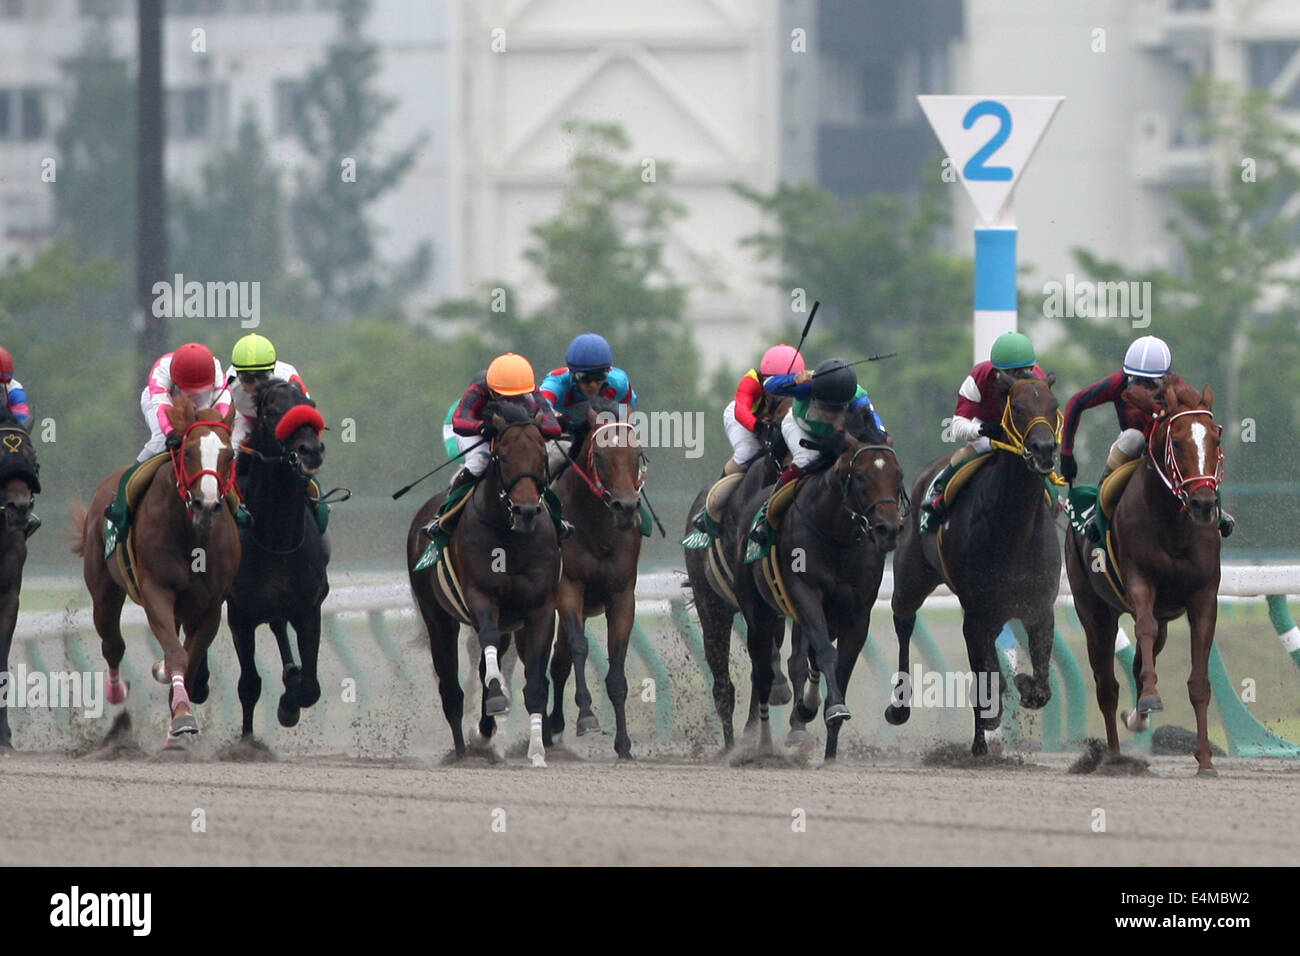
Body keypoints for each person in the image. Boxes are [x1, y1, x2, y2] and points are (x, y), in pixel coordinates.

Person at [1062, 335, 1233, 539]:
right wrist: (1066, 453)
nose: (1143, 388)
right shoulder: (1118, 383)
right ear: (1127, 375)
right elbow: (1076, 402)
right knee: (1133, 438)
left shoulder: (1177, 387)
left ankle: (1215, 507)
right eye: (1136, 380)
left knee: (1195, 445)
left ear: (1165, 377)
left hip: (1164, 450)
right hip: (1133, 447)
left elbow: (1197, 424)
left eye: (1152, 383)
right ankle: (1097, 506)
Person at [420, 353, 564, 540]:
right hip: (477, 432)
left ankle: (556, 517)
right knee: (479, 461)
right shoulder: (478, 390)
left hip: (511, 433)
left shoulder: (533, 392)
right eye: (505, 396)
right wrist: (480, 427)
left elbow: (554, 427)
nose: (511, 401)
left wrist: (535, 426)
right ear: (492, 390)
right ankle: (444, 513)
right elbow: (459, 421)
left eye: (518, 397)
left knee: (532, 461)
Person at [747, 358, 886, 547]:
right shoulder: (807, 386)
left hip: (834, 434)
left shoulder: (859, 398)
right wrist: (795, 379)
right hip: (799, 426)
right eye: (825, 407)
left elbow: (878, 428)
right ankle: (765, 515)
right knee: (806, 459)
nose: (830, 414)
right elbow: (769, 385)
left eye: (836, 409)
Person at [918, 331, 1045, 531]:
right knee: (962, 456)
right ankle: (938, 495)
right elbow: (957, 426)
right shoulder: (978, 378)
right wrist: (982, 429)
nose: (1020, 379)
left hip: (1020, 440)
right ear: (998, 372)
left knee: (1041, 467)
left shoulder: (1038, 379)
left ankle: (1056, 500)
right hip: (986, 436)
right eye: (1013, 373)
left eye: (1025, 371)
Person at [688, 343, 803, 535]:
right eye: (778, 387)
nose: (784, 393)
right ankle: (711, 506)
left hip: (769, 420)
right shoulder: (751, 381)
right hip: (741, 418)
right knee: (747, 452)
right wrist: (757, 425)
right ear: (766, 379)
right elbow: (741, 409)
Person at [540, 333, 636, 469]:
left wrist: (622, 433)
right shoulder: (556, 382)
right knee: (555, 458)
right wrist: (583, 412)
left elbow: (628, 409)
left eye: (599, 377)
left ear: (608, 371)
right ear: (572, 373)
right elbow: (542, 407)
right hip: (565, 436)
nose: (592, 385)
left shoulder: (619, 382)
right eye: (584, 377)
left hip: (603, 432)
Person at [137, 342, 230, 462]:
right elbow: (162, 407)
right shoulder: (161, 372)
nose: (195, 396)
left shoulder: (215, 368)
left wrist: (219, 426)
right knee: (160, 439)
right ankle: (134, 473)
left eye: (199, 391)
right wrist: (170, 432)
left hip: (203, 396)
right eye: (191, 391)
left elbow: (223, 402)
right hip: (161, 400)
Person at [224, 333, 310, 454]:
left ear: (273, 371)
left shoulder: (289, 379)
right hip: (244, 418)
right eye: (247, 378)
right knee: (232, 451)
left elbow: (309, 420)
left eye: (262, 377)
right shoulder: (229, 382)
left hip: (281, 421)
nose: (255, 385)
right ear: (237, 374)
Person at [0, 346, 39, 536]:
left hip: (5, 425)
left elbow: (21, 412)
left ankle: (25, 505)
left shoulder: (14, 387)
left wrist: (20, 430)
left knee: (21, 449)